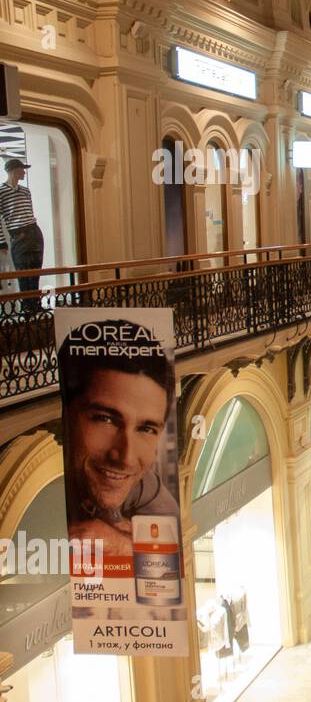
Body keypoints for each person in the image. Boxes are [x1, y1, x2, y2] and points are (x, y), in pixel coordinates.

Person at [58, 318, 180, 558]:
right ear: (65, 415)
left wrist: (119, 543)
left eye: (146, 429)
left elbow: (173, 543)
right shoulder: (51, 492)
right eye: (105, 419)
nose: (125, 457)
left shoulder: (142, 484)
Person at [0, 157, 45, 309]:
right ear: (13, 171)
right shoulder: (1, 192)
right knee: (23, 272)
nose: (24, 172)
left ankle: (36, 304)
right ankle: (28, 306)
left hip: (33, 231)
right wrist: (2, 242)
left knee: (35, 271)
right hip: (19, 234)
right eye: (21, 169)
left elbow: (30, 211)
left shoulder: (25, 191)